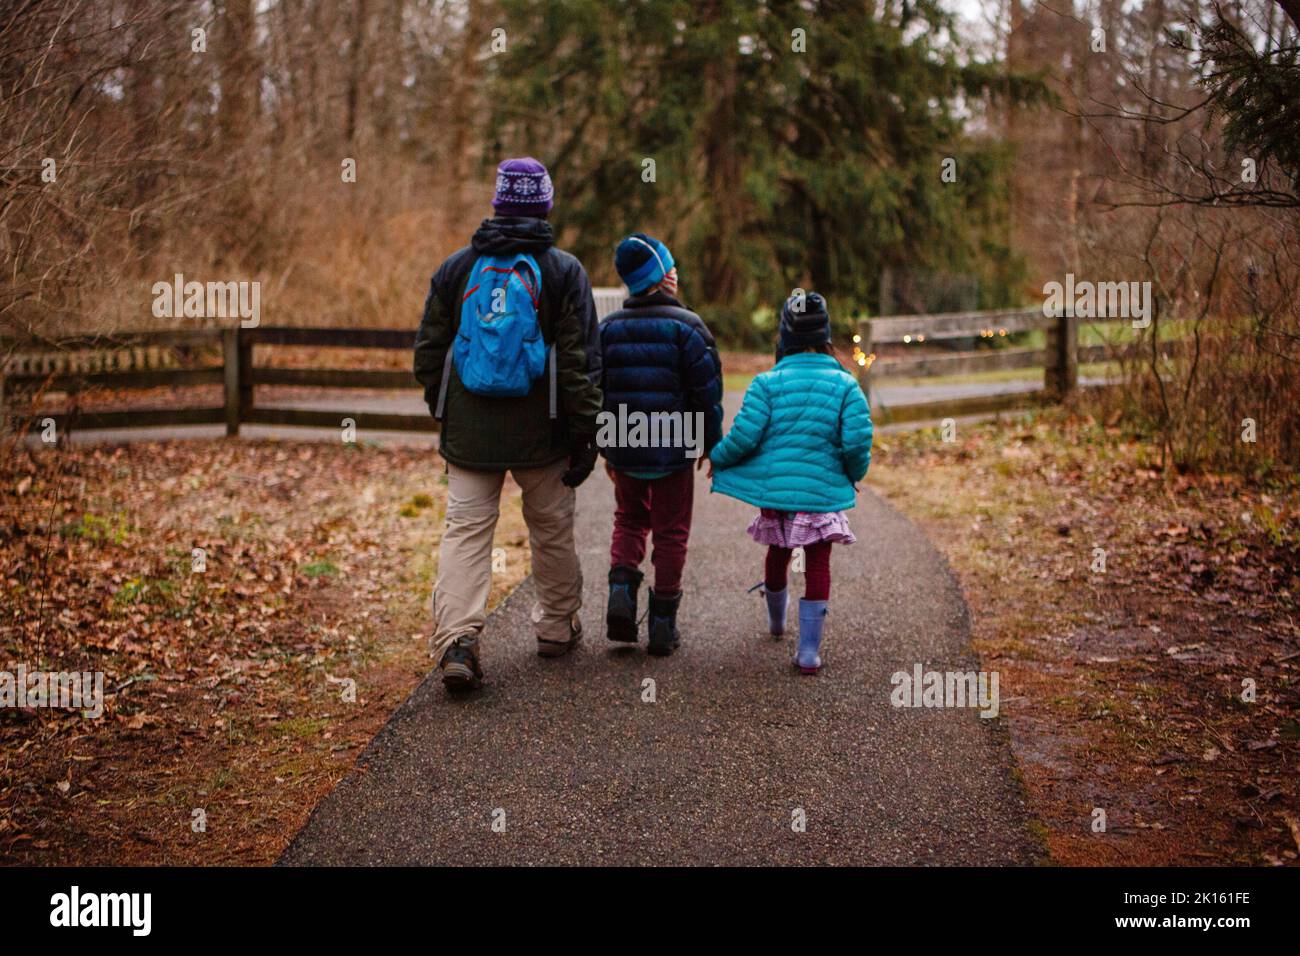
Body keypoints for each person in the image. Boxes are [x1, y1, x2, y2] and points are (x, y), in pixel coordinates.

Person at [413, 157, 602, 691]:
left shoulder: (456, 268)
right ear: (545, 204)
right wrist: (584, 433)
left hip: (470, 434)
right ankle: (556, 629)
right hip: (542, 434)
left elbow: (427, 354)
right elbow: (580, 363)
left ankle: (458, 642)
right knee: (551, 529)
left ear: (497, 202)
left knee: (467, 534)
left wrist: (445, 409)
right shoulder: (564, 271)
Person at [708, 292, 872, 674]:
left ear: (784, 336)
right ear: (826, 335)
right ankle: (809, 652)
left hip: (777, 495)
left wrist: (716, 457)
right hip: (821, 494)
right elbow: (857, 442)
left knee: (778, 551)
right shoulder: (846, 385)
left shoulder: (766, 383)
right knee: (817, 562)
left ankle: (777, 623)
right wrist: (854, 474)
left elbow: (744, 437)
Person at [598, 234, 723, 656]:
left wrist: (606, 446)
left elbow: (597, 391)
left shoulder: (607, 330)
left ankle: (621, 593)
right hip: (673, 448)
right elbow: (707, 393)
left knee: (629, 519)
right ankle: (663, 626)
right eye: (672, 268)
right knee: (671, 532)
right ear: (662, 276)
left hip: (625, 442)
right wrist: (710, 443)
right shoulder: (688, 328)